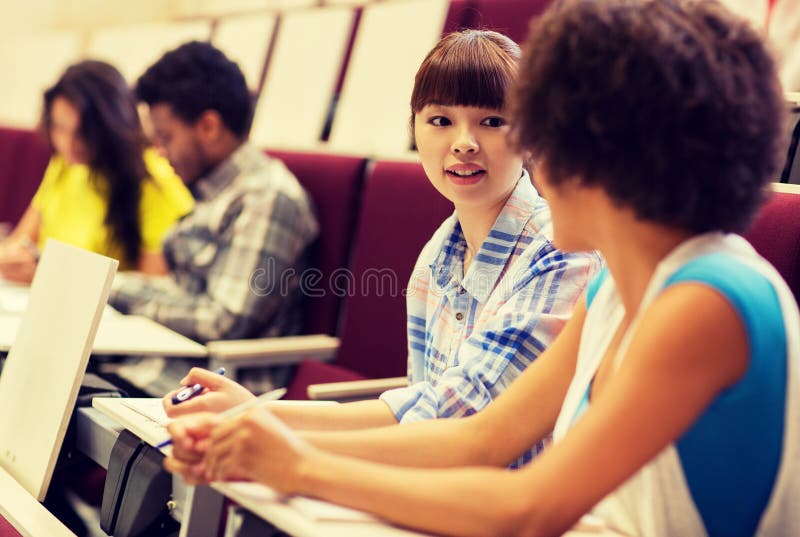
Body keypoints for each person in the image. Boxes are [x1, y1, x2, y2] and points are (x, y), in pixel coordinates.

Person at [164, 1, 799, 536]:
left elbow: (529, 509)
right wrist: (261, 423)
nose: (532, 159)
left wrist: (294, 465)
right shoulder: (617, 284)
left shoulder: (704, 300)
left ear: (613, 153)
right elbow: (483, 438)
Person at [163, 29, 600, 467]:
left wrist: (264, 419)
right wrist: (252, 414)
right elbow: (423, 406)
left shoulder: (560, 250)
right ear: (413, 129)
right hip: (433, 484)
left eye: (492, 121)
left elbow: (462, 409)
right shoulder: (437, 254)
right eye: (440, 121)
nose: (464, 142)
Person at [107, 41, 318, 394]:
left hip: (207, 390)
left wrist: (118, 293)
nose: (160, 152)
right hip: (157, 367)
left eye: (165, 137)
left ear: (208, 126)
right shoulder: (213, 191)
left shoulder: (267, 197)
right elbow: (185, 291)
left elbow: (222, 320)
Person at [0, 60, 193, 283]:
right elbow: (21, 240)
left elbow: (151, 288)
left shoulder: (153, 179)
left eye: (83, 132)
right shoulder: (65, 163)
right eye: (60, 127)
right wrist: (14, 259)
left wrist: (53, 274)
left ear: (112, 126)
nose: (69, 143)